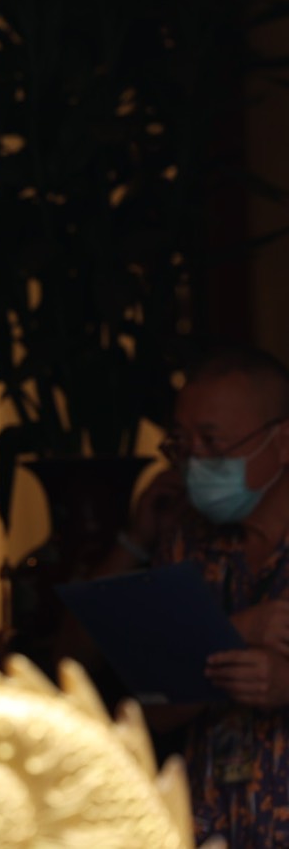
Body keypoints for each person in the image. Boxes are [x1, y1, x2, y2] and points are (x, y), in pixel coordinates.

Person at [104, 343, 289, 846]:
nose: (196, 464)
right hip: (208, 827)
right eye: (183, 446)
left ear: (283, 442)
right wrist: (234, 634)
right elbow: (150, 706)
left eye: (213, 443)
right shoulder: (187, 540)